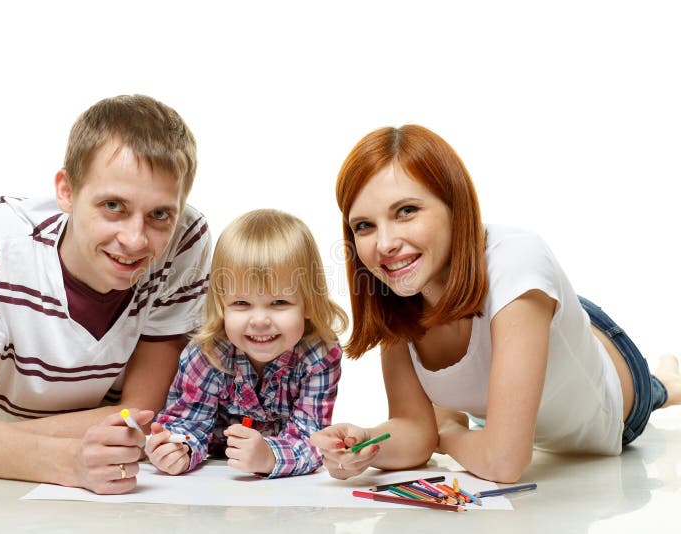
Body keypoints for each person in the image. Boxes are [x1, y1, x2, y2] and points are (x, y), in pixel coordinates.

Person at [310, 124, 681, 483]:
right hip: (513, 325)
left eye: (406, 210)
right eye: (364, 226)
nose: (385, 243)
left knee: (659, 390)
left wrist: (449, 430)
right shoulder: (398, 295)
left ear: (455, 205)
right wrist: (365, 443)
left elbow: (504, 462)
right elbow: (414, 430)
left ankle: (665, 379)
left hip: (611, 388)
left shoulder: (518, 259)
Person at [0, 94, 212, 494]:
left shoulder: (185, 238)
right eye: (113, 206)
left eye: (159, 214)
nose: (135, 238)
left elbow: (142, 419)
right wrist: (67, 461)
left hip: (21, 459)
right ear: (67, 191)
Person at [146, 209, 346, 478]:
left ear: (308, 303)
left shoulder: (319, 355)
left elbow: (313, 438)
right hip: (216, 483)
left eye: (279, 303)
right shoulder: (207, 354)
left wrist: (269, 456)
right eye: (241, 303)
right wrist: (177, 450)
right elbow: (189, 424)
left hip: (283, 496)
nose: (260, 320)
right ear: (221, 304)